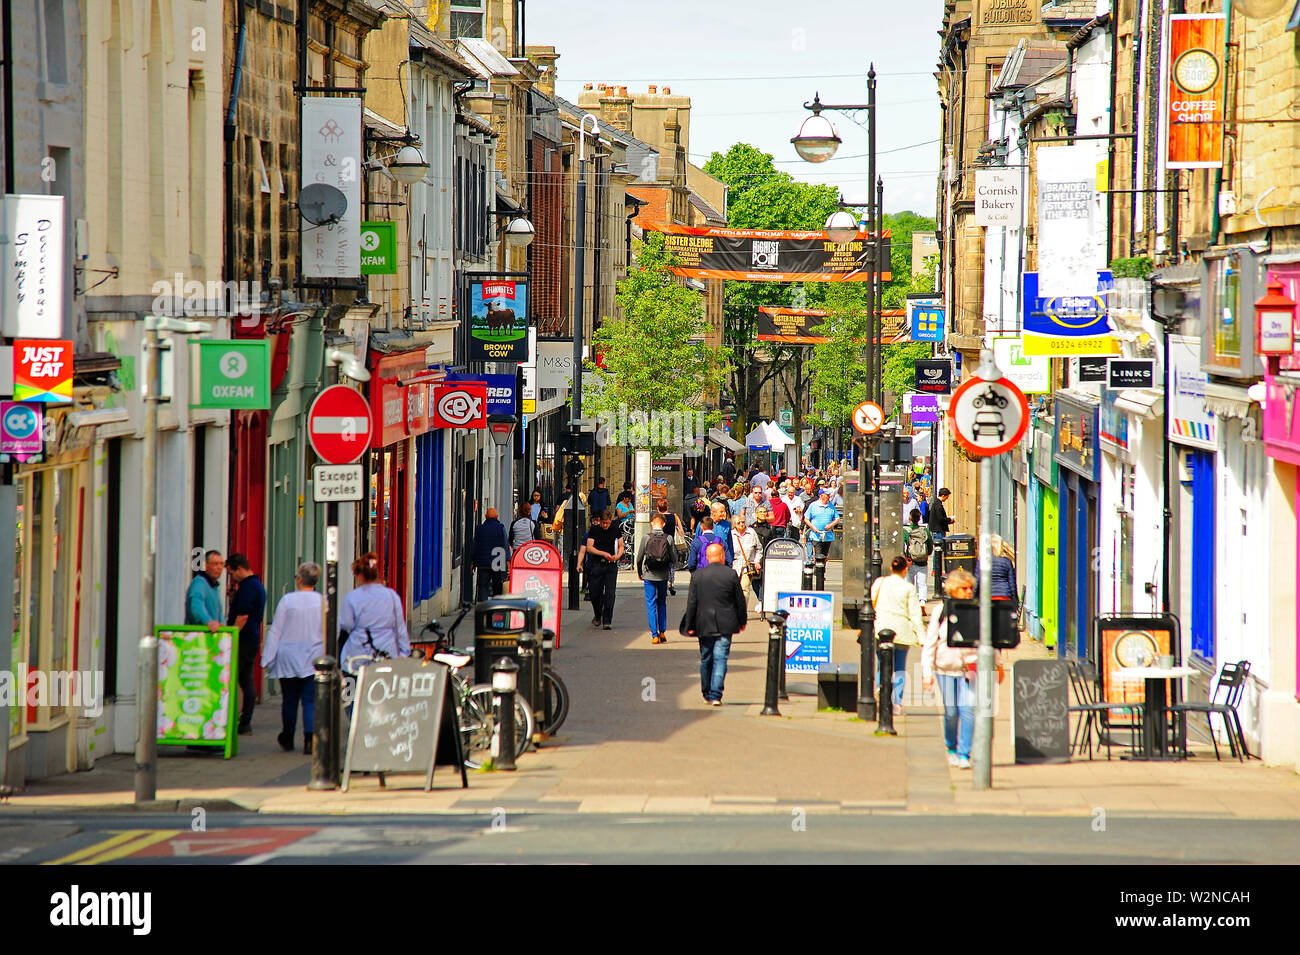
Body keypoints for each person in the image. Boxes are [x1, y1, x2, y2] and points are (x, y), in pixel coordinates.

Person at [261, 562, 325, 755]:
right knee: (309, 700)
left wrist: (267, 658)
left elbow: (276, 631)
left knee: (289, 699)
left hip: (288, 656)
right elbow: (327, 631)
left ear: (299, 579)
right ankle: (309, 738)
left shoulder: (287, 601)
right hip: (313, 657)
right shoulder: (322, 601)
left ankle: (287, 736)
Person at [921, 568, 982, 769]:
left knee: (968, 711)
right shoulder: (942, 610)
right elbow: (930, 643)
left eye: (970, 588)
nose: (968, 592)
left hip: (969, 670)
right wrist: (926, 673)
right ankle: (951, 747)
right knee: (951, 712)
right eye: (964, 588)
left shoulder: (977, 609)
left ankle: (964, 753)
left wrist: (997, 664)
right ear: (954, 589)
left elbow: (987, 640)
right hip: (945, 669)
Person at [680, 541, 748, 706]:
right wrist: (742, 621)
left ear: (707, 557)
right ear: (722, 556)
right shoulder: (731, 574)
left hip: (704, 623)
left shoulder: (697, 576)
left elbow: (692, 603)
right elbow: (739, 601)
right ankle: (716, 694)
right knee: (721, 658)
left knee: (706, 658)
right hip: (726, 623)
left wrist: (689, 625)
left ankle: (707, 692)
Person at [338, 553, 409, 674]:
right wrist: (404, 653)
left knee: (355, 690)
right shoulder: (392, 596)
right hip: (386, 655)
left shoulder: (351, 597)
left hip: (358, 654)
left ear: (360, 576)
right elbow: (400, 628)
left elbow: (346, 624)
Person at [871, 555, 924, 711]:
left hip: (881, 629)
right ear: (905, 569)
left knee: (882, 664)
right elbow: (915, 615)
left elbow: (871, 602)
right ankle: (897, 703)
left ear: (891, 568)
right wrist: (922, 637)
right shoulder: (908, 588)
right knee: (899, 668)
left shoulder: (880, 583)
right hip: (901, 632)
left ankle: (881, 688)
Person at [226, 554, 267, 735]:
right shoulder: (256, 585)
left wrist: (231, 635)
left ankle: (237, 719)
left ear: (239, 569)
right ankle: (245, 721)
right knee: (246, 680)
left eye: (231, 573)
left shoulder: (249, 587)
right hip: (252, 638)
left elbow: (242, 616)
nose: (231, 577)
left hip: (242, 639)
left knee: (233, 677)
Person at [637, 514, 674, 644]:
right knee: (662, 603)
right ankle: (663, 631)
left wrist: (640, 572)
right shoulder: (668, 538)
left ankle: (654, 635)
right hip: (663, 574)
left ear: (652, 523)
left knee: (650, 603)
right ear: (663, 524)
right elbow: (674, 558)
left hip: (649, 574)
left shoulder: (646, 537)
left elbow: (639, 557)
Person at [585, 510, 623, 630]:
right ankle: (598, 614)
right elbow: (589, 547)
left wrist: (617, 556)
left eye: (607, 523)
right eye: (603, 523)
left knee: (610, 594)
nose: (605, 525)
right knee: (594, 592)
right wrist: (603, 553)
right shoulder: (594, 530)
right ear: (599, 521)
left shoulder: (616, 529)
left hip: (611, 564)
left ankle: (607, 620)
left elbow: (621, 546)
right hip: (597, 563)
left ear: (610, 521)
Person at [471, 507, 509, 602]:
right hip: (497, 562)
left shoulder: (479, 529)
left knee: (483, 586)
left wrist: (473, 562)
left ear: (485, 516)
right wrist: (508, 560)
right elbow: (505, 545)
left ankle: (483, 606)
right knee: (497, 586)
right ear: (497, 517)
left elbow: (475, 546)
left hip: (483, 563)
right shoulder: (501, 528)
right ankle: (496, 605)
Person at [186, 550, 224, 631]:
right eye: (215, 564)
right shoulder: (199, 583)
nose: (219, 568)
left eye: (221, 564)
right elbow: (196, 606)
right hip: (197, 637)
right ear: (205, 566)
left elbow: (219, 612)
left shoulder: (214, 586)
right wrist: (208, 621)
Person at [730, 516, 762, 612]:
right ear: (735, 524)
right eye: (739, 522)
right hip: (734, 566)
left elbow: (759, 548)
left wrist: (757, 560)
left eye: (743, 522)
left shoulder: (751, 532)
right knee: (733, 590)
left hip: (747, 567)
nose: (741, 524)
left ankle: (742, 611)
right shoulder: (731, 534)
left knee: (745, 588)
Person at [904, 508, 934, 603]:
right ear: (919, 518)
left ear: (910, 519)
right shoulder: (924, 530)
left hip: (911, 560)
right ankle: (922, 601)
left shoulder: (906, 531)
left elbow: (903, 545)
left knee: (909, 583)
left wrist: (905, 557)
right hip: (922, 561)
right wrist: (926, 554)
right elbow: (930, 544)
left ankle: (910, 600)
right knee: (922, 583)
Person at [804, 488, 841, 566]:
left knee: (824, 556)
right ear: (821, 496)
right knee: (818, 555)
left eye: (828, 495)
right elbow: (806, 519)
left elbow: (837, 518)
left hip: (827, 535)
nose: (828, 496)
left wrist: (830, 525)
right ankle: (818, 573)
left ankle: (822, 573)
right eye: (827, 495)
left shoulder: (830, 506)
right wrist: (813, 528)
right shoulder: (813, 505)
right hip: (816, 535)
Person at [655, 497, 681, 596]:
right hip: (671, 543)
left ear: (658, 507)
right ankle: (671, 583)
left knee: (661, 564)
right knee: (671, 564)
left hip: (660, 544)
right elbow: (681, 530)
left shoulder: (657, 518)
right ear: (667, 507)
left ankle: (663, 584)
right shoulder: (674, 516)